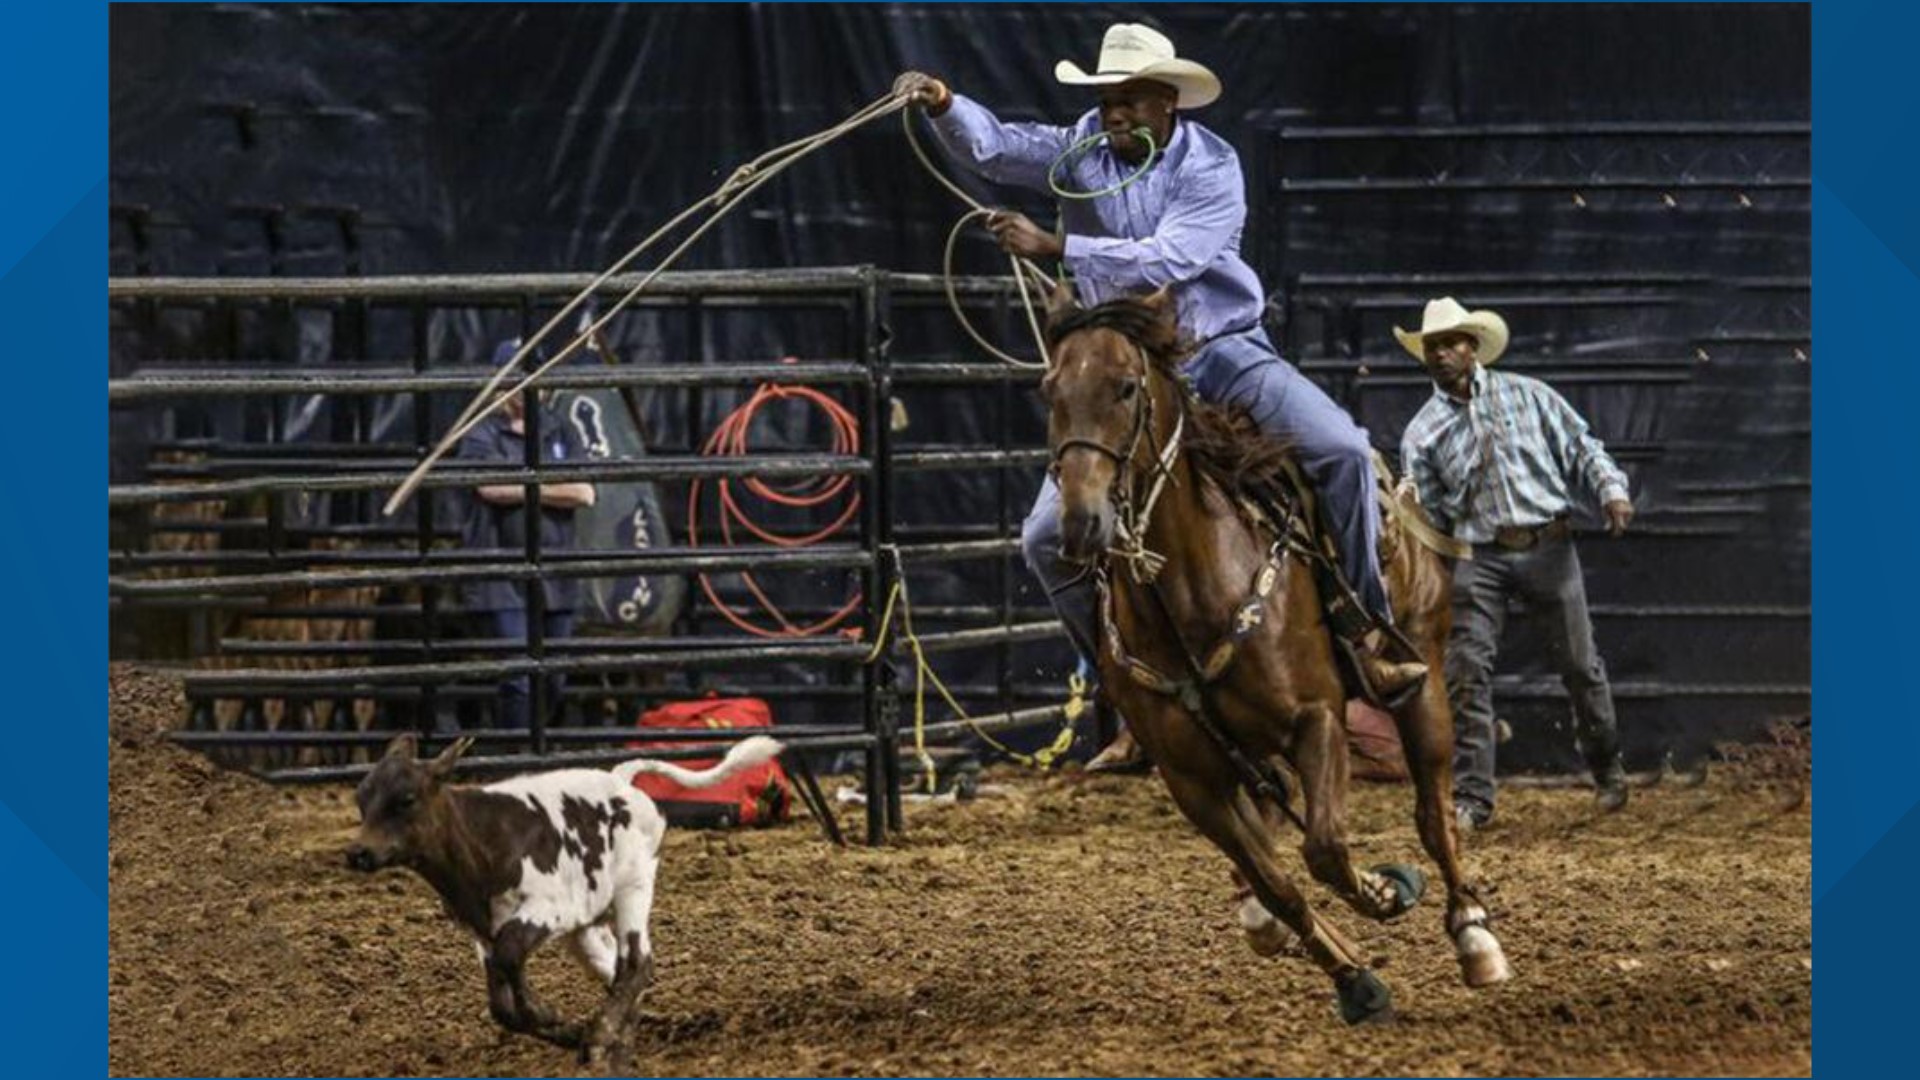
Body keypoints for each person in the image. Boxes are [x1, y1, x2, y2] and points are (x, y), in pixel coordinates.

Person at [894, 23, 1426, 771]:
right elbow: (999, 148)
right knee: (1045, 540)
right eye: (1108, 99)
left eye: (1131, 99)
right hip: (1127, 365)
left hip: (1221, 349)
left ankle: (1366, 629)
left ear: (1168, 102)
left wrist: (1059, 247)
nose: (1114, 112)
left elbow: (1173, 257)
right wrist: (946, 104)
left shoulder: (1212, 165)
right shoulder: (1081, 148)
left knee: (1338, 448)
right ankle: (1125, 688)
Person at [1395, 298, 1634, 828]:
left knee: (1580, 666)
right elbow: (1427, 515)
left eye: (1450, 343)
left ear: (1472, 348)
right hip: (1478, 555)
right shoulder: (1422, 432)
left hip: (1549, 545)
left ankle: (1607, 770)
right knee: (1465, 674)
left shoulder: (1529, 395)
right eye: (1433, 347)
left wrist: (1611, 490)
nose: (1441, 354)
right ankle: (1473, 798)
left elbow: (1582, 446)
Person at [457, 339, 597, 735]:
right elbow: (489, 487)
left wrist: (522, 485)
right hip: (501, 572)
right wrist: (550, 486)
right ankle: (520, 756)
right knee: (519, 676)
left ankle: (533, 747)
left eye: (536, 376)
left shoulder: (559, 427)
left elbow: (584, 492)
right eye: (520, 377)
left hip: (556, 570)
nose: (531, 385)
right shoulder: (482, 431)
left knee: (554, 676)